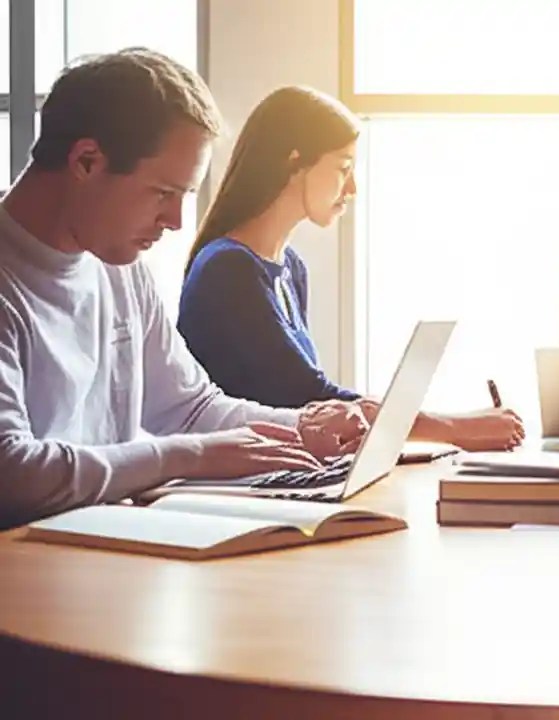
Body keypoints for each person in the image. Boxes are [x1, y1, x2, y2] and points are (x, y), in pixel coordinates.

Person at [0, 49, 369, 529]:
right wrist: (190, 456)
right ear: (86, 161)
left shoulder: (118, 263)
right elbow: (11, 473)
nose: (175, 222)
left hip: (100, 555)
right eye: (163, 192)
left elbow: (191, 407)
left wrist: (302, 429)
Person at [177, 86, 524, 451]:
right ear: (294, 161)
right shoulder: (228, 269)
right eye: (344, 168)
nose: (353, 187)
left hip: (284, 464)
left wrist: (454, 427)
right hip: (234, 480)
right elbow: (308, 398)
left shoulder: (291, 268)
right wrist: (456, 427)